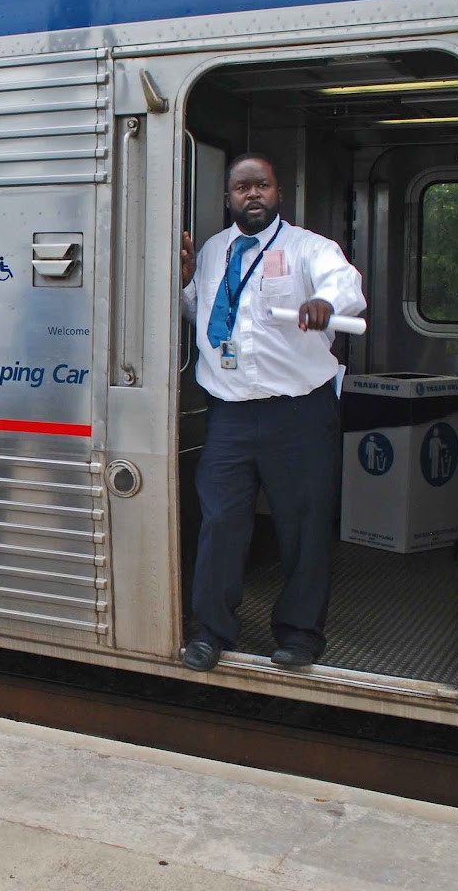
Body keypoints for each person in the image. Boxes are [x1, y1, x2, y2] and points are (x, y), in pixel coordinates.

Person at [178, 153, 364, 672]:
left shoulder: (309, 248)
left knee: (301, 527)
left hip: (297, 413)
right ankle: (212, 632)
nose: (252, 194)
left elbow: (344, 286)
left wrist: (326, 302)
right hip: (230, 415)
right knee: (220, 524)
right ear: (229, 197)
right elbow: (212, 312)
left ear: (278, 192)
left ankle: (300, 637)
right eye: (242, 188)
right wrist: (188, 283)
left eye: (262, 185)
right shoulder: (216, 250)